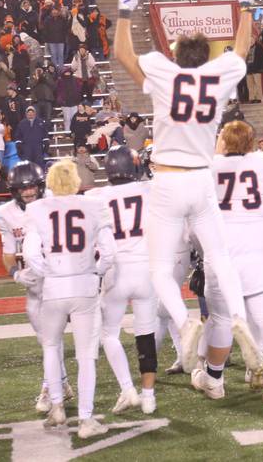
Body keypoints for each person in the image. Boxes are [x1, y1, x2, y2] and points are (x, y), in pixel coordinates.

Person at [114, 0, 262, 376]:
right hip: (202, 180)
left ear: (175, 55)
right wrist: (246, 7)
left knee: (160, 269)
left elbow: (122, 56)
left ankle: (184, 322)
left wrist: (125, 14)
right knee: (220, 258)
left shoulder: (164, 74)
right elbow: (242, 51)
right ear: (208, 57)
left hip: (167, 181)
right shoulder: (218, 75)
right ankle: (239, 318)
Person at [195, 121, 263, 402]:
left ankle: (214, 380)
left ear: (224, 141)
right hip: (261, 247)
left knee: (220, 320)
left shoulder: (208, 168)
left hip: (223, 252)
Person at [22, 159, 115, 438]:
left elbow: (30, 253)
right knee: (86, 355)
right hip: (84, 285)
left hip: (53, 288)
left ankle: (58, 407)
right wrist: (94, 271)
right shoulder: (95, 205)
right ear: (75, 180)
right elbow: (109, 253)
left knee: (51, 347)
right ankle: (86, 420)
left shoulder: (36, 209)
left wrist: (47, 272)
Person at [0, 161, 73, 414]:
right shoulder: (5, 213)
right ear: (13, 190)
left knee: (90, 337)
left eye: (31, 187)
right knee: (47, 339)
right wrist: (15, 273)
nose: (28, 192)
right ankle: (59, 384)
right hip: (37, 282)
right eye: (22, 188)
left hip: (66, 274)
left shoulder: (57, 200)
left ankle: (52, 387)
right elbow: (8, 252)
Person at [86, 147, 158, 414]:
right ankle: (149, 396)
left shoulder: (95, 196)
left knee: (109, 334)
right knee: (146, 332)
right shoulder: (149, 189)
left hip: (115, 270)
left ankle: (128, 389)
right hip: (144, 267)